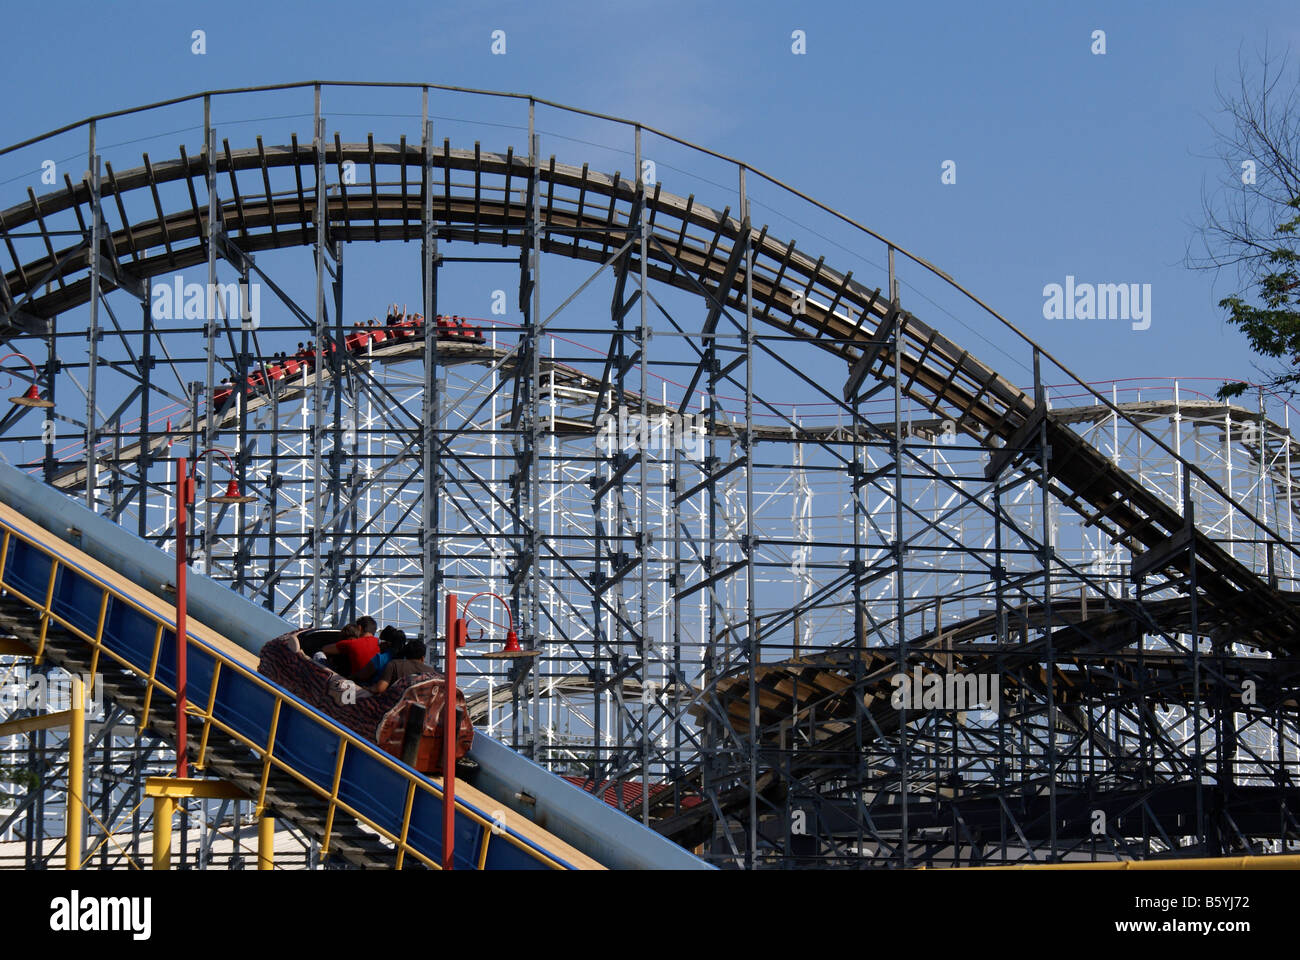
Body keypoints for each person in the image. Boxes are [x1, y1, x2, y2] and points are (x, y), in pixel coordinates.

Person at [369, 637, 438, 695]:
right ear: (423, 658)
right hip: (423, 707)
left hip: (397, 707)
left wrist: (367, 688)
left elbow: (380, 688)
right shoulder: (431, 672)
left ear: (406, 654)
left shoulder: (394, 665)